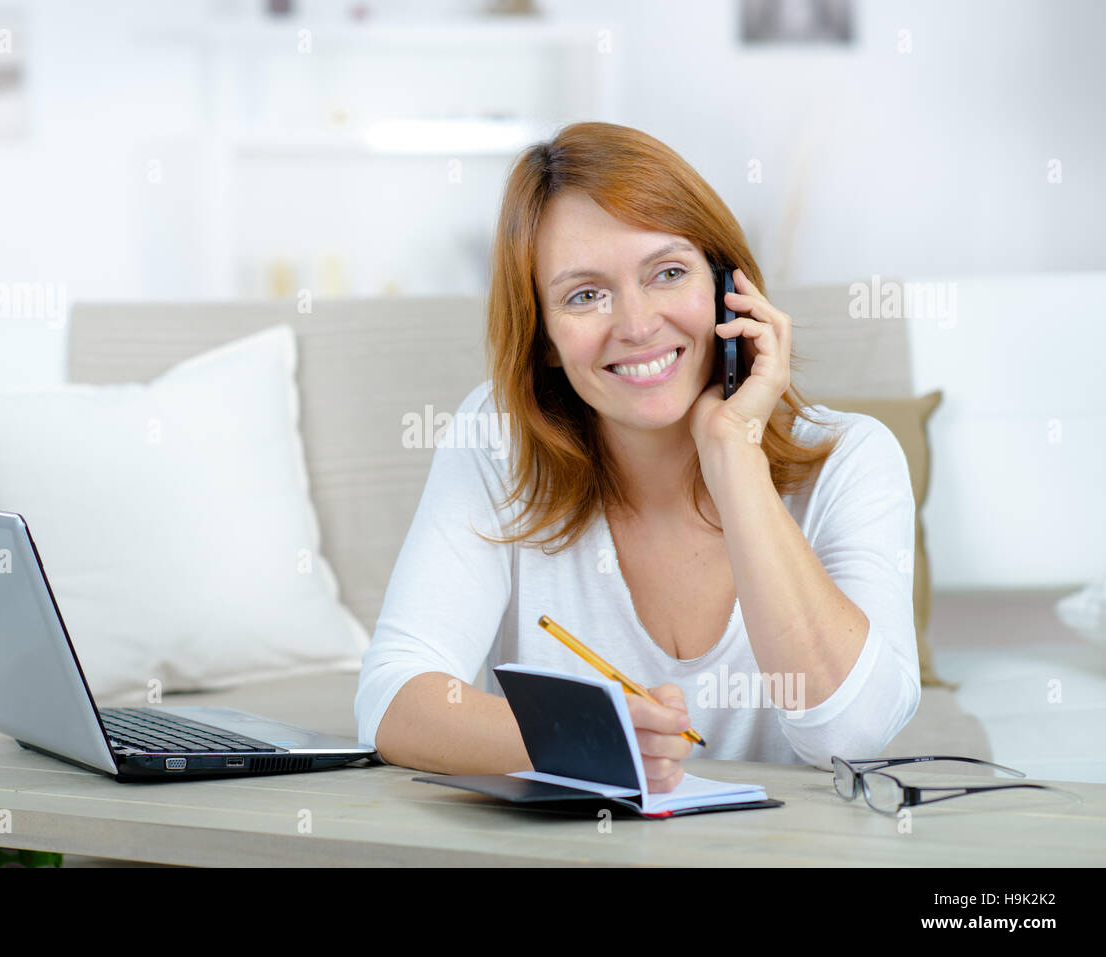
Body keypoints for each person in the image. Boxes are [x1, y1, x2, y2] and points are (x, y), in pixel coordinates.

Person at [354, 121, 919, 792]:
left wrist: (734, 454)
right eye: (585, 294)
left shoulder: (851, 459)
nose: (637, 324)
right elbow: (391, 701)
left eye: (669, 272)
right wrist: (577, 736)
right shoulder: (500, 438)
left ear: (728, 292)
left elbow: (847, 735)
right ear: (542, 338)